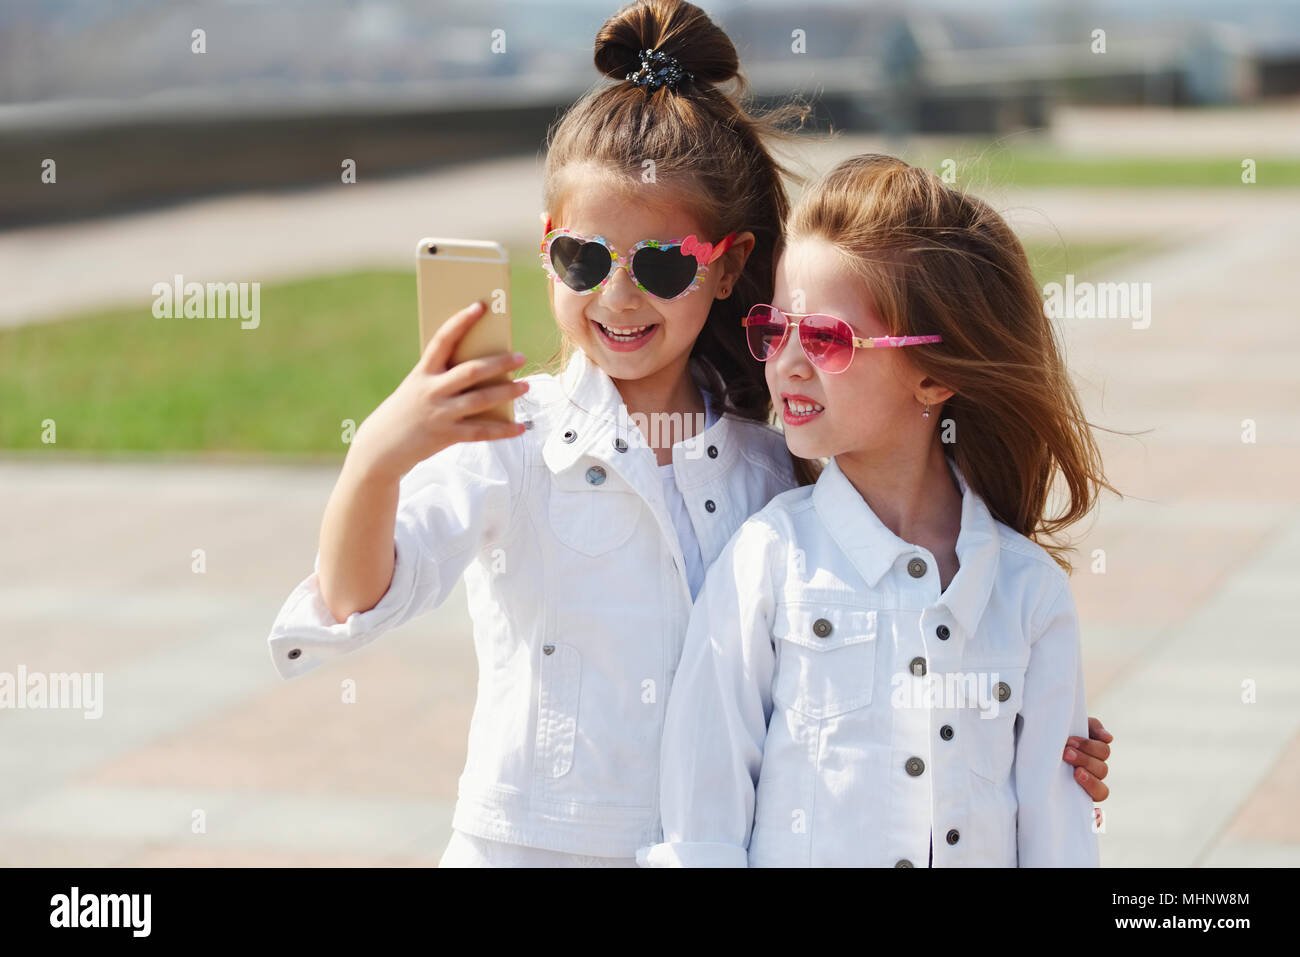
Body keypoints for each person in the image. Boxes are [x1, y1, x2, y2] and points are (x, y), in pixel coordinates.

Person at [267, 2, 1112, 867]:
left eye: (663, 264)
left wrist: (1007, 724)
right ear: (550, 249)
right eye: (582, 260)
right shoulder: (510, 438)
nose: (619, 296)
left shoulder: (776, 459)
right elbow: (355, 598)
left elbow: (877, 646)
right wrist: (377, 454)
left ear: (728, 263)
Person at [642, 154, 1118, 867]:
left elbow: (1057, 838)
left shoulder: (1028, 594)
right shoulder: (767, 560)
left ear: (933, 373)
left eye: (828, 338)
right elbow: (701, 818)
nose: (788, 363)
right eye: (776, 330)